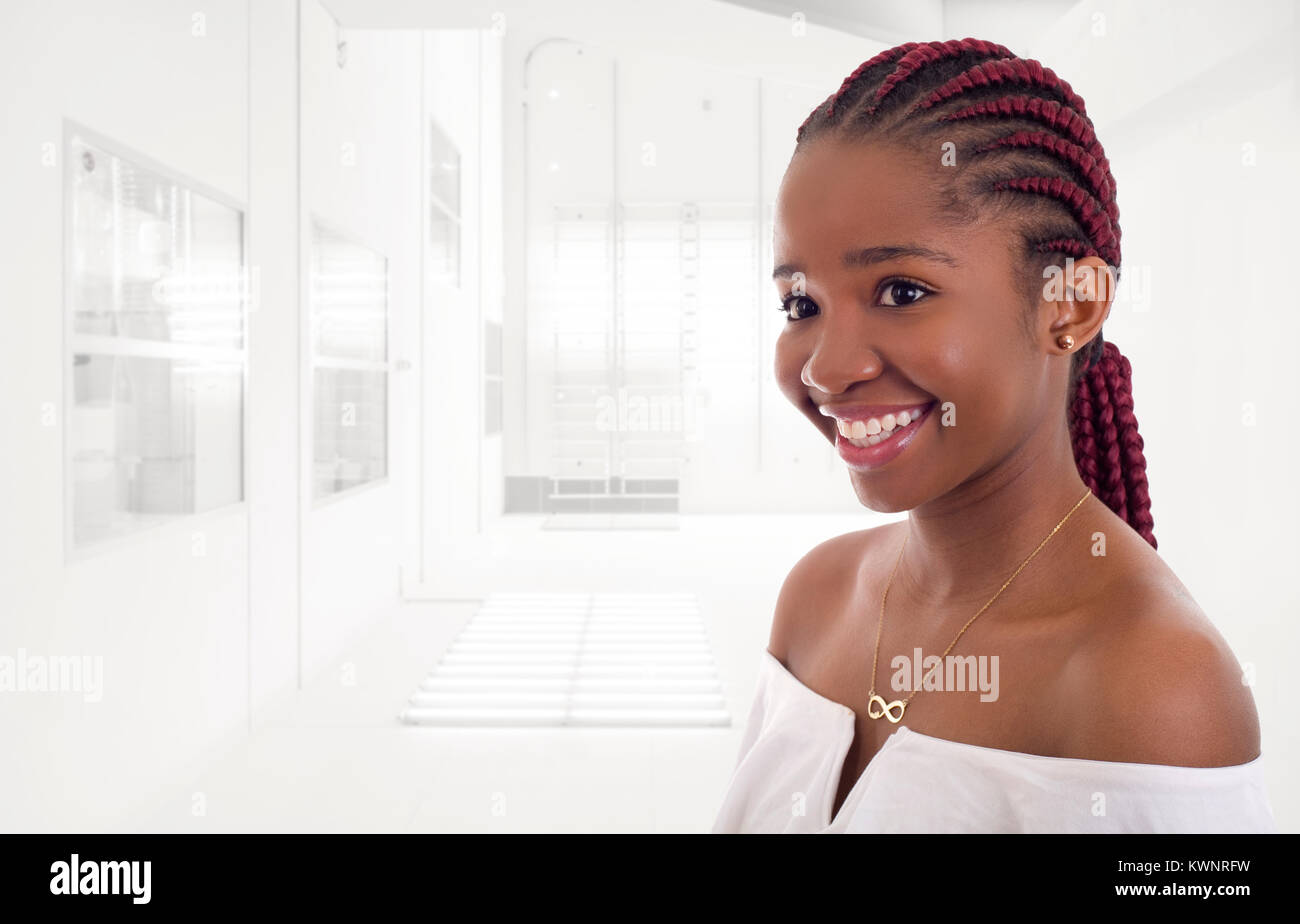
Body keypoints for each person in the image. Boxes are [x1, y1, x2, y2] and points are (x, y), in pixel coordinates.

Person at [711, 38, 1277, 833]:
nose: (827, 370)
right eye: (801, 305)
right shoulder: (816, 599)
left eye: (901, 290)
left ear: (1070, 306)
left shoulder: (1155, 688)